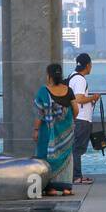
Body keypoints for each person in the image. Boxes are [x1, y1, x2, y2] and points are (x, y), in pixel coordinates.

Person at [34, 63, 79, 196]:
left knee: (46, 156)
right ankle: (66, 188)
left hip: (48, 132)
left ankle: (50, 188)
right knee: (66, 157)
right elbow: (76, 110)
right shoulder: (68, 90)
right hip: (67, 132)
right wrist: (68, 122)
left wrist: (36, 130)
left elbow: (39, 114)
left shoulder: (43, 91)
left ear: (49, 76)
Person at [67, 53, 100, 185]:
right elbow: (79, 98)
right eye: (91, 65)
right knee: (77, 149)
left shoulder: (72, 76)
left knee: (74, 148)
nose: (91, 67)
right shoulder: (80, 80)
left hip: (75, 117)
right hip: (81, 118)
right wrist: (93, 98)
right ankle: (76, 176)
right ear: (87, 65)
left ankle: (73, 175)